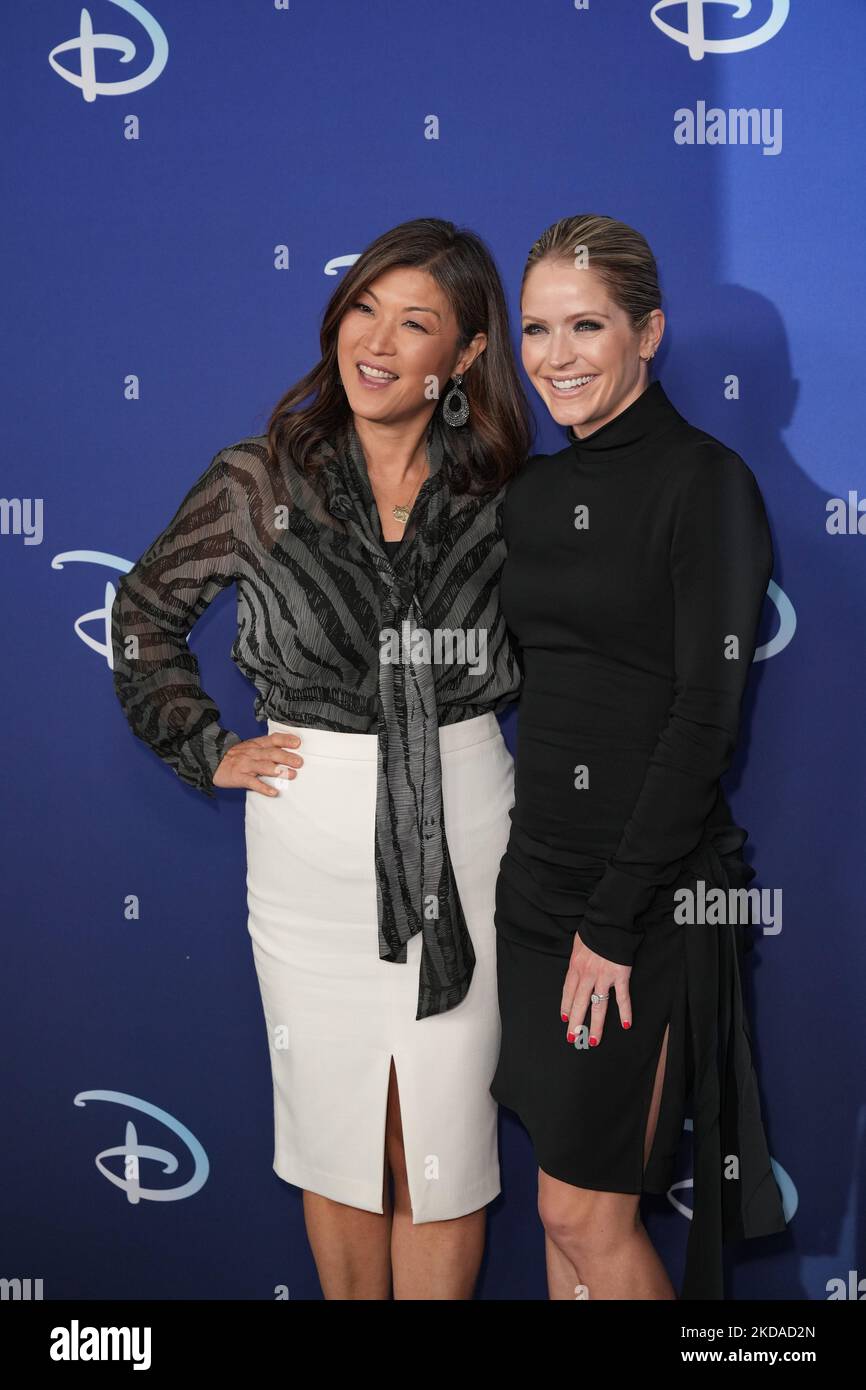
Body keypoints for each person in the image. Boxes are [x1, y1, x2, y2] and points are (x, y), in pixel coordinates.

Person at [110, 217, 532, 1299]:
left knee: (437, 1146)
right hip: (311, 846)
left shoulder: (504, 490)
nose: (378, 341)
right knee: (339, 1133)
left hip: (467, 834)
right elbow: (146, 611)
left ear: (465, 356)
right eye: (362, 309)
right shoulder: (261, 477)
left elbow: (572, 656)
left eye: (416, 321)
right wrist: (205, 744)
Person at [490, 214, 787, 1300]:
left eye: (585, 326)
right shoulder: (526, 492)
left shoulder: (703, 484)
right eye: (534, 329)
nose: (555, 356)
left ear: (646, 332)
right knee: (554, 1210)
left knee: (584, 1209)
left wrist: (612, 922)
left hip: (644, 899)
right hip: (532, 888)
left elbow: (703, 719)